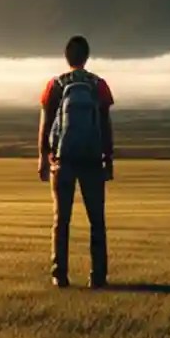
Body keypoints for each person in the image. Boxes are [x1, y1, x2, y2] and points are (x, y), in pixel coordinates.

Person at [38, 35, 115, 288]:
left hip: (64, 160)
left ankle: (59, 274)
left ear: (66, 57)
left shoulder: (56, 84)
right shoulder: (98, 85)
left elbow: (46, 122)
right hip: (92, 160)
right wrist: (108, 159)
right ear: (87, 57)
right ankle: (99, 276)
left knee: (62, 220)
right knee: (97, 220)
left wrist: (42, 156)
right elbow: (105, 123)